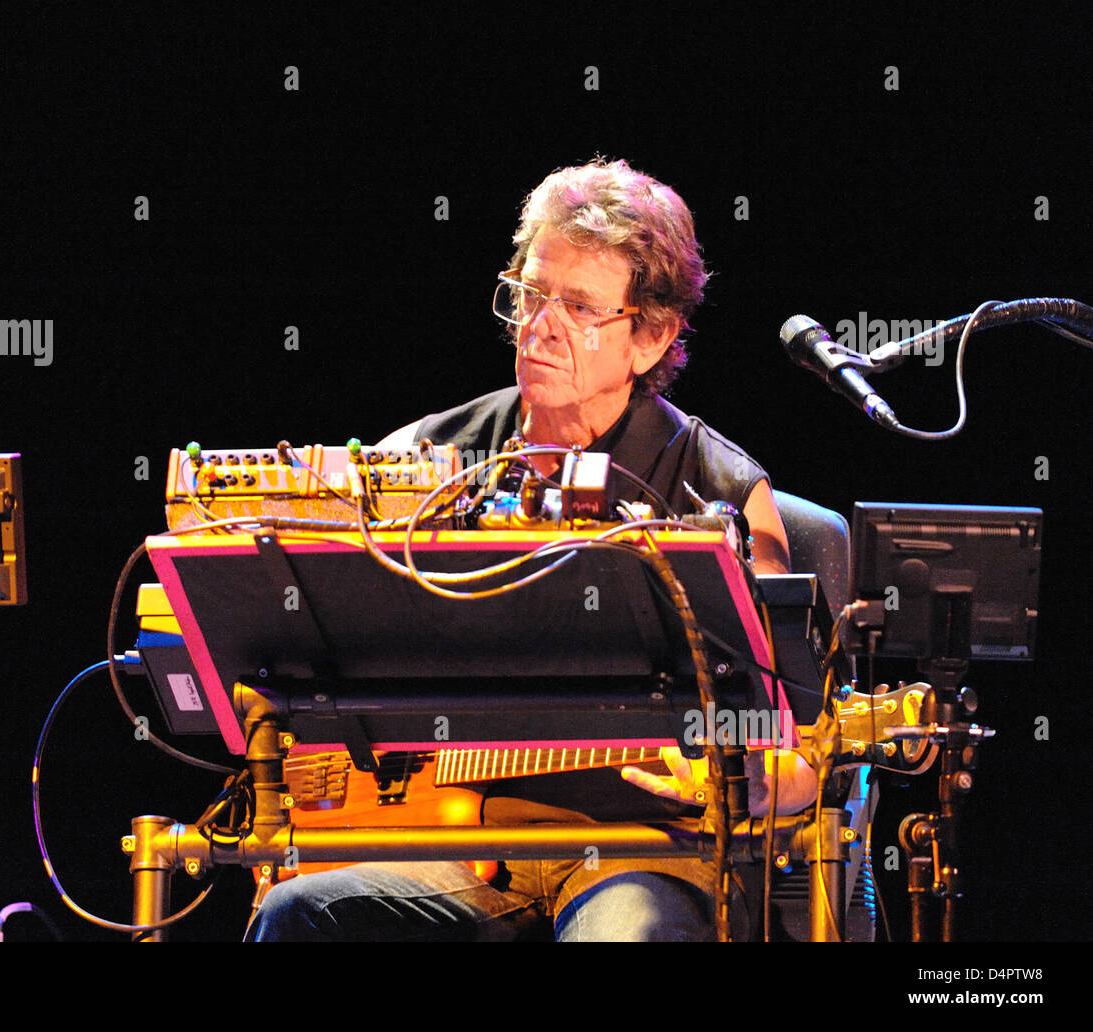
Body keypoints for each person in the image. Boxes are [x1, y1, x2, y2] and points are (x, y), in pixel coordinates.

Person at [246, 158, 816, 941]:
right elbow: (305, 646)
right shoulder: (427, 457)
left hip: (642, 854)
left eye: (578, 306)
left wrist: (732, 775)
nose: (538, 326)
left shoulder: (717, 492)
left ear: (650, 337)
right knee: (297, 914)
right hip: (468, 842)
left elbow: (797, 759)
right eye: (529, 293)